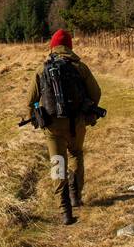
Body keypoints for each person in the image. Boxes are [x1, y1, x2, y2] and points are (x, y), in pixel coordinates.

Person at [25, 29, 102, 225]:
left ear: (52, 46)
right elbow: (96, 92)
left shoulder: (42, 69)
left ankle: (65, 209)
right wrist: (87, 111)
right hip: (76, 122)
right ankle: (76, 196)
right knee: (76, 154)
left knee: (57, 163)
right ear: (70, 46)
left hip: (52, 126)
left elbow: (30, 101)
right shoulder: (80, 67)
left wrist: (34, 118)